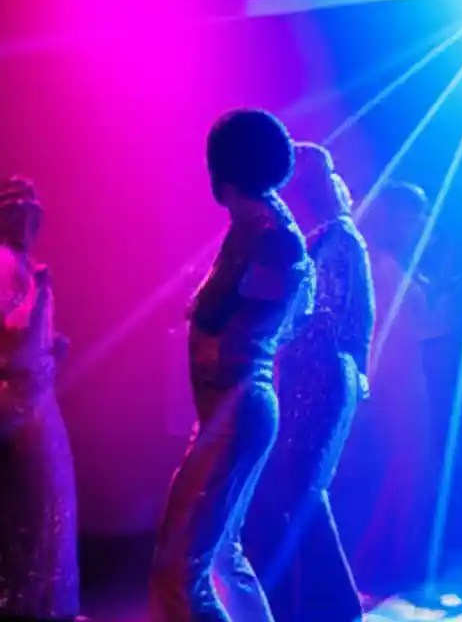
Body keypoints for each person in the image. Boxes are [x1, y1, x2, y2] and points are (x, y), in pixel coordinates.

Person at [150, 109, 315, 622]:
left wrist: (204, 305)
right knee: (220, 555)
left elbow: (238, 322)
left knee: (181, 570)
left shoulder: (271, 237)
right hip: (228, 411)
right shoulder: (254, 225)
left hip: (236, 411)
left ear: (223, 169)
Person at [245, 143, 373, 622]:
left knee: (302, 488)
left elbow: (323, 318)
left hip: (318, 377)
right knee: (295, 489)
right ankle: (317, 605)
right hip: (305, 375)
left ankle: (336, 606)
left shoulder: (336, 240)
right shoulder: (322, 237)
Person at [338, 181, 433, 595]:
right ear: (393, 214)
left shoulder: (391, 259)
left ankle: (391, 560)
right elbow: (382, 328)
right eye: (412, 215)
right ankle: (380, 562)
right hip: (394, 377)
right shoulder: (373, 260)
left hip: (405, 373)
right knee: (399, 468)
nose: (418, 224)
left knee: (406, 469)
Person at [0, 177, 78, 620]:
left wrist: (54, 348)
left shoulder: (28, 267)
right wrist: (41, 299)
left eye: (33, 217)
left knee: (47, 501)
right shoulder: (4, 264)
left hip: (37, 400)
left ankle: (43, 604)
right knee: (22, 507)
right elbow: (11, 338)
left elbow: (33, 339)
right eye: (18, 216)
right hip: (14, 400)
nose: (27, 225)